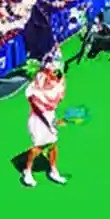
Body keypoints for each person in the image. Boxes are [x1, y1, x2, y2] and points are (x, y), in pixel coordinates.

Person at [22, 57, 67, 187]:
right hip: (37, 118)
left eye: (56, 72)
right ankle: (27, 171)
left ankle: (53, 170)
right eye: (53, 71)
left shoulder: (58, 84)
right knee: (38, 147)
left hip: (49, 115)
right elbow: (33, 100)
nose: (55, 73)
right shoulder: (37, 84)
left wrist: (53, 120)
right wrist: (46, 119)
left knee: (53, 145)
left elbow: (56, 100)